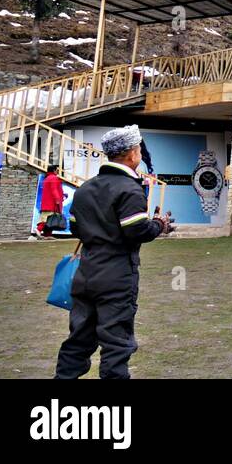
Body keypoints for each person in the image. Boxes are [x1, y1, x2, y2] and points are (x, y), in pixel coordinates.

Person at [54, 125, 175, 379]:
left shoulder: (86, 188)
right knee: (116, 343)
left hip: (86, 273)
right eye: (139, 149)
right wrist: (159, 225)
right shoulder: (130, 189)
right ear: (132, 154)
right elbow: (136, 231)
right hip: (116, 276)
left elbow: (76, 227)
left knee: (78, 340)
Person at [38, 164, 66, 238]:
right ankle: (38, 230)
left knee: (49, 219)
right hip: (51, 203)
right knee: (47, 219)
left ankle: (47, 234)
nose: (58, 171)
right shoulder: (54, 178)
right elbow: (54, 190)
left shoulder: (47, 178)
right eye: (57, 170)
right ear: (54, 170)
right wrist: (57, 199)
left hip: (47, 203)